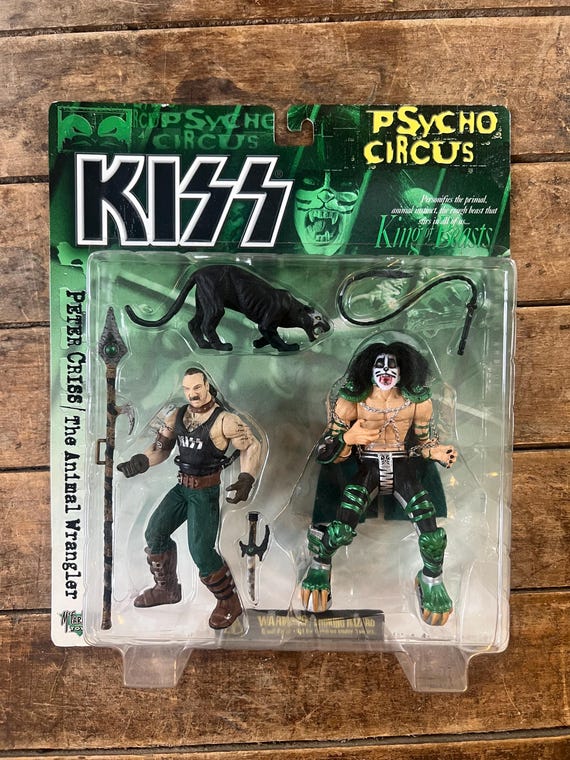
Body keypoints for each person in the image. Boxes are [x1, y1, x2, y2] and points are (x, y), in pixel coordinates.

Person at [301, 341, 456, 626]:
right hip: (368, 465)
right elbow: (324, 449)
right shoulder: (352, 400)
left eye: (392, 365)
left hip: (402, 465)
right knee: (340, 528)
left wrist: (435, 452)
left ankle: (432, 579)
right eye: (379, 365)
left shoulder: (418, 401)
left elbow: (424, 442)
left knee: (431, 533)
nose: (386, 371)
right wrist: (348, 438)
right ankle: (319, 563)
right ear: (368, 369)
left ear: (404, 369)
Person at [118, 367, 261, 630]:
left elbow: (251, 445)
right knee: (154, 533)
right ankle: (167, 589)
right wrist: (141, 462)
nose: (192, 393)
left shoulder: (225, 420)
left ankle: (229, 602)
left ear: (207, 386)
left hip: (204, 493)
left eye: (197, 387)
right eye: (187, 389)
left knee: (201, 552)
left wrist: (246, 478)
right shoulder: (177, 415)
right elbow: (161, 449)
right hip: (182, 488)